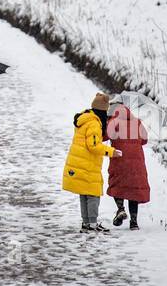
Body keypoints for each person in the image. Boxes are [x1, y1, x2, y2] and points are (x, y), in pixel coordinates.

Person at [61, 92, 121, 233]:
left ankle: (86, 223)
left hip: (80, 162)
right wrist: (111, 151)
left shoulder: (85, 119)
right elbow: (93, 146)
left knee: (84, 194)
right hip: (87, 164)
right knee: (93, 194)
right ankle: (92, 224)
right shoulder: (94, 123)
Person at [106, 99, 150, 230]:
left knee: (117, 184)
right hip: (137, 161)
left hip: (120, 158)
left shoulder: (113, 122)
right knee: (134, 189)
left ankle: (120, 209)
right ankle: (134, 222)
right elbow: (145, 139)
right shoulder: (137, 122)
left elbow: (105, 135)